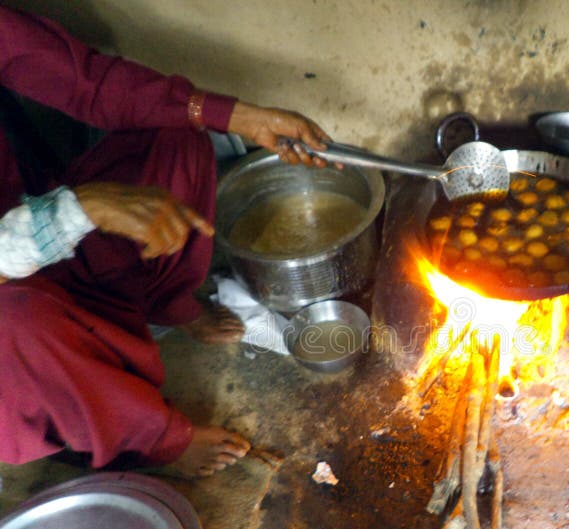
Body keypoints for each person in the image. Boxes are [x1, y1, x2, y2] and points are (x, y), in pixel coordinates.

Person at [0, 7, 330, 477]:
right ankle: (157, 441)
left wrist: (238, 117)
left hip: (30, 227)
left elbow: (87, 81)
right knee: (14, 322)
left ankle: (164, 302)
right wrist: (77, 211)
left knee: (175, 134)